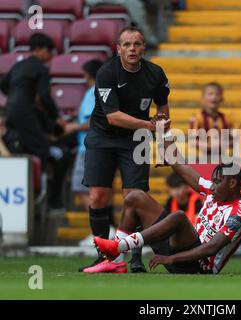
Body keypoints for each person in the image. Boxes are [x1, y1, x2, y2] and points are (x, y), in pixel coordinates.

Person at [80, 26, 170, 273]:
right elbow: (113, 117)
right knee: (98, 196)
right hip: (102, 137)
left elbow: (163, 109)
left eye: (137, 44)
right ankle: (104, 257)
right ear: (118, 48)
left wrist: (163, 140)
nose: (132, 48)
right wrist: (148, 125)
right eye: (127, 44)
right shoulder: (107, 72)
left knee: (135, 197)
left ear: (144, 48)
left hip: (135, 140)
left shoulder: (155, 73)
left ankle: (135, 257)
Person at [92, 158, 241, 274]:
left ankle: (117, 246)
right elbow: (180, 167)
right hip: (177, 248)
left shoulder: (240, 211)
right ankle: (116, 262)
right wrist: (163, 131)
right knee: (135, 197)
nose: (212, 186)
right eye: (213, 182)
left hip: (197, 266)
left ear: (232, 183)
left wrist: (171, 259)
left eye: (217, 182)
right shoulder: (213, 191)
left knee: (180, 217)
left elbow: (212, 248)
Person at [0, 33, 75, 209]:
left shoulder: (19, 65)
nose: (50, 58)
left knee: (24, 145)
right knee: (48, 151)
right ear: (40, 51)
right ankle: (49, 199)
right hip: (25, 114)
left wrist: (17, 96)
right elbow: (44, 96)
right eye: (50, 52)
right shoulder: (41, 69)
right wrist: (57, 116)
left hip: (11, 111)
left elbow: (2, 84)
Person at [66, 59, 117, 246]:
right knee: (101, 190)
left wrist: (72, 126)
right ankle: (106, 228)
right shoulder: (108, 91)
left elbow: (91, 122)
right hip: (104, 147)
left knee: (80, 188)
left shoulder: (91, 92)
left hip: (87, 148)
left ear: (88, 75)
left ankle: (100, 230)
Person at [189, 82, 233, 160]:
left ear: (222, 98)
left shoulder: (227, 119)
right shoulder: (197, 118)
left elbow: (233, 140)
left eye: (217, 94)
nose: (214, 97)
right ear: (202, 98)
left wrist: (223, 144)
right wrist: (210, 146)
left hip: (222, 158)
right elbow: (192, 141)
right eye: (210, 94)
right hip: (201, 158)